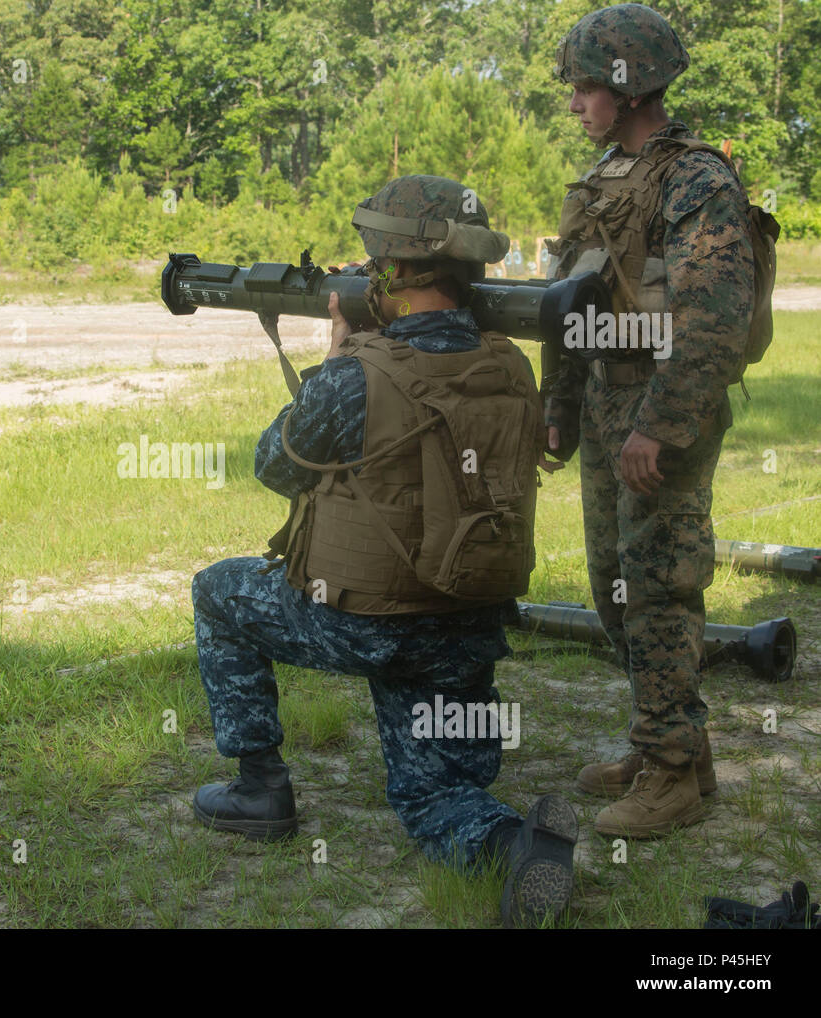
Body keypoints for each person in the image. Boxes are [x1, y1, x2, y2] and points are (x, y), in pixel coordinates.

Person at [190, 175, 577, 928]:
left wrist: (335, 359)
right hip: (466, 621)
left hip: (368, 623)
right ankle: (512, 843)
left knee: (218, 591)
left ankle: (260, 789)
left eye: (372, 259)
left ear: (394, 270)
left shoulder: (355, 375)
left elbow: (275, 466)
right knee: (431, 797)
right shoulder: (509, 366)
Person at [540, 4, 754, 837]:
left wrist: (662, 425)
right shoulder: (598, 181)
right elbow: (568, 303)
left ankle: (668, 772)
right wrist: (559, 405)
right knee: (613, 588)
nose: (576, 102)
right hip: (602, 403)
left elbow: (714, 315)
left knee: (660, 586)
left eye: (587, 86)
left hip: (663, 410)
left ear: (628, 85)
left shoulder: (697, 179)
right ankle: (674, 745)